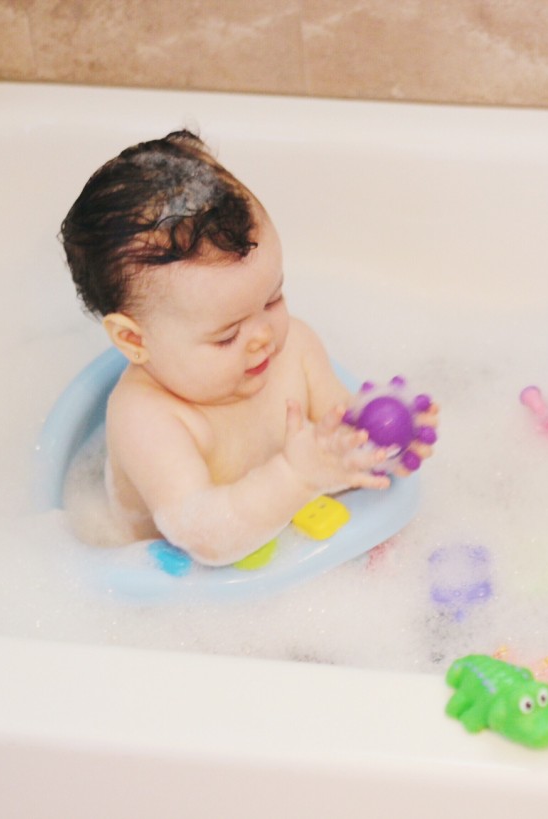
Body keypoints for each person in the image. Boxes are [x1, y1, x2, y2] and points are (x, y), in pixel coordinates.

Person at [60, 130, 436, 566]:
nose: (264, 337)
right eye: (227, 335)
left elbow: (341, 441)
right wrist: (297, 475)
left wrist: (381, 444)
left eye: (272, 299)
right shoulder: (147, 417)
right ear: (134, 339)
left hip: (283, 564)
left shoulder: (293, 347)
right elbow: (202, 537)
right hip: (180, 598)